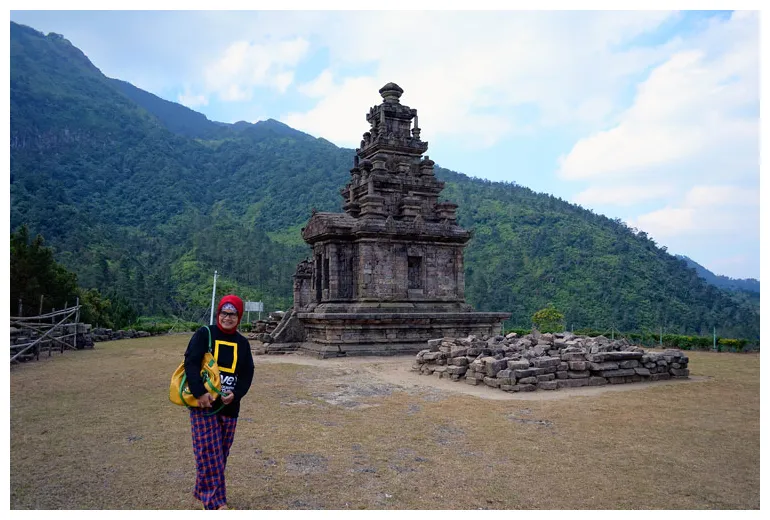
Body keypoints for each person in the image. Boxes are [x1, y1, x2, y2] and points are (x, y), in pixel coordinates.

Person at [184, 294, 255, 510]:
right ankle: (215, 504)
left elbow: (247, 373)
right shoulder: (205, 334)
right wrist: (199, 393)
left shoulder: (243, 344)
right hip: (203, 405)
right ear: (218, 314)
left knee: (220, 454)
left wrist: (236, 393)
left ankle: (203, 490)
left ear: (239, 317)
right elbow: (191, 362)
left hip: (230, 407)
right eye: (224, 313)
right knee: (209, 452)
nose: (227, 317)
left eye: (233, 314)